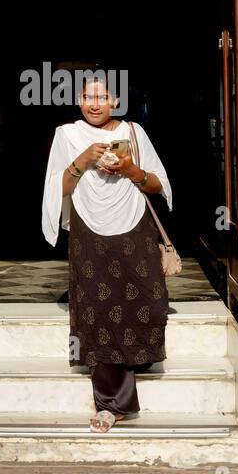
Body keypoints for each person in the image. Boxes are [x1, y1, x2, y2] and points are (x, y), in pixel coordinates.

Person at [41, 73, 173, 432]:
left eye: (102, 97)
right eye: (87, 96)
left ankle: (136, 359)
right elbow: (60, 189)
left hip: (134, 228)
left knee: (147, 300)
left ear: (116, 101)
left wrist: (130, 169)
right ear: (79, 101)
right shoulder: (67, 135)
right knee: (98, 310)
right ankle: (111, 404)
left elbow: (159, 183)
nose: (94, 104)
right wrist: (83, 159)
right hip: (89, 231)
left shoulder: (132, 132)